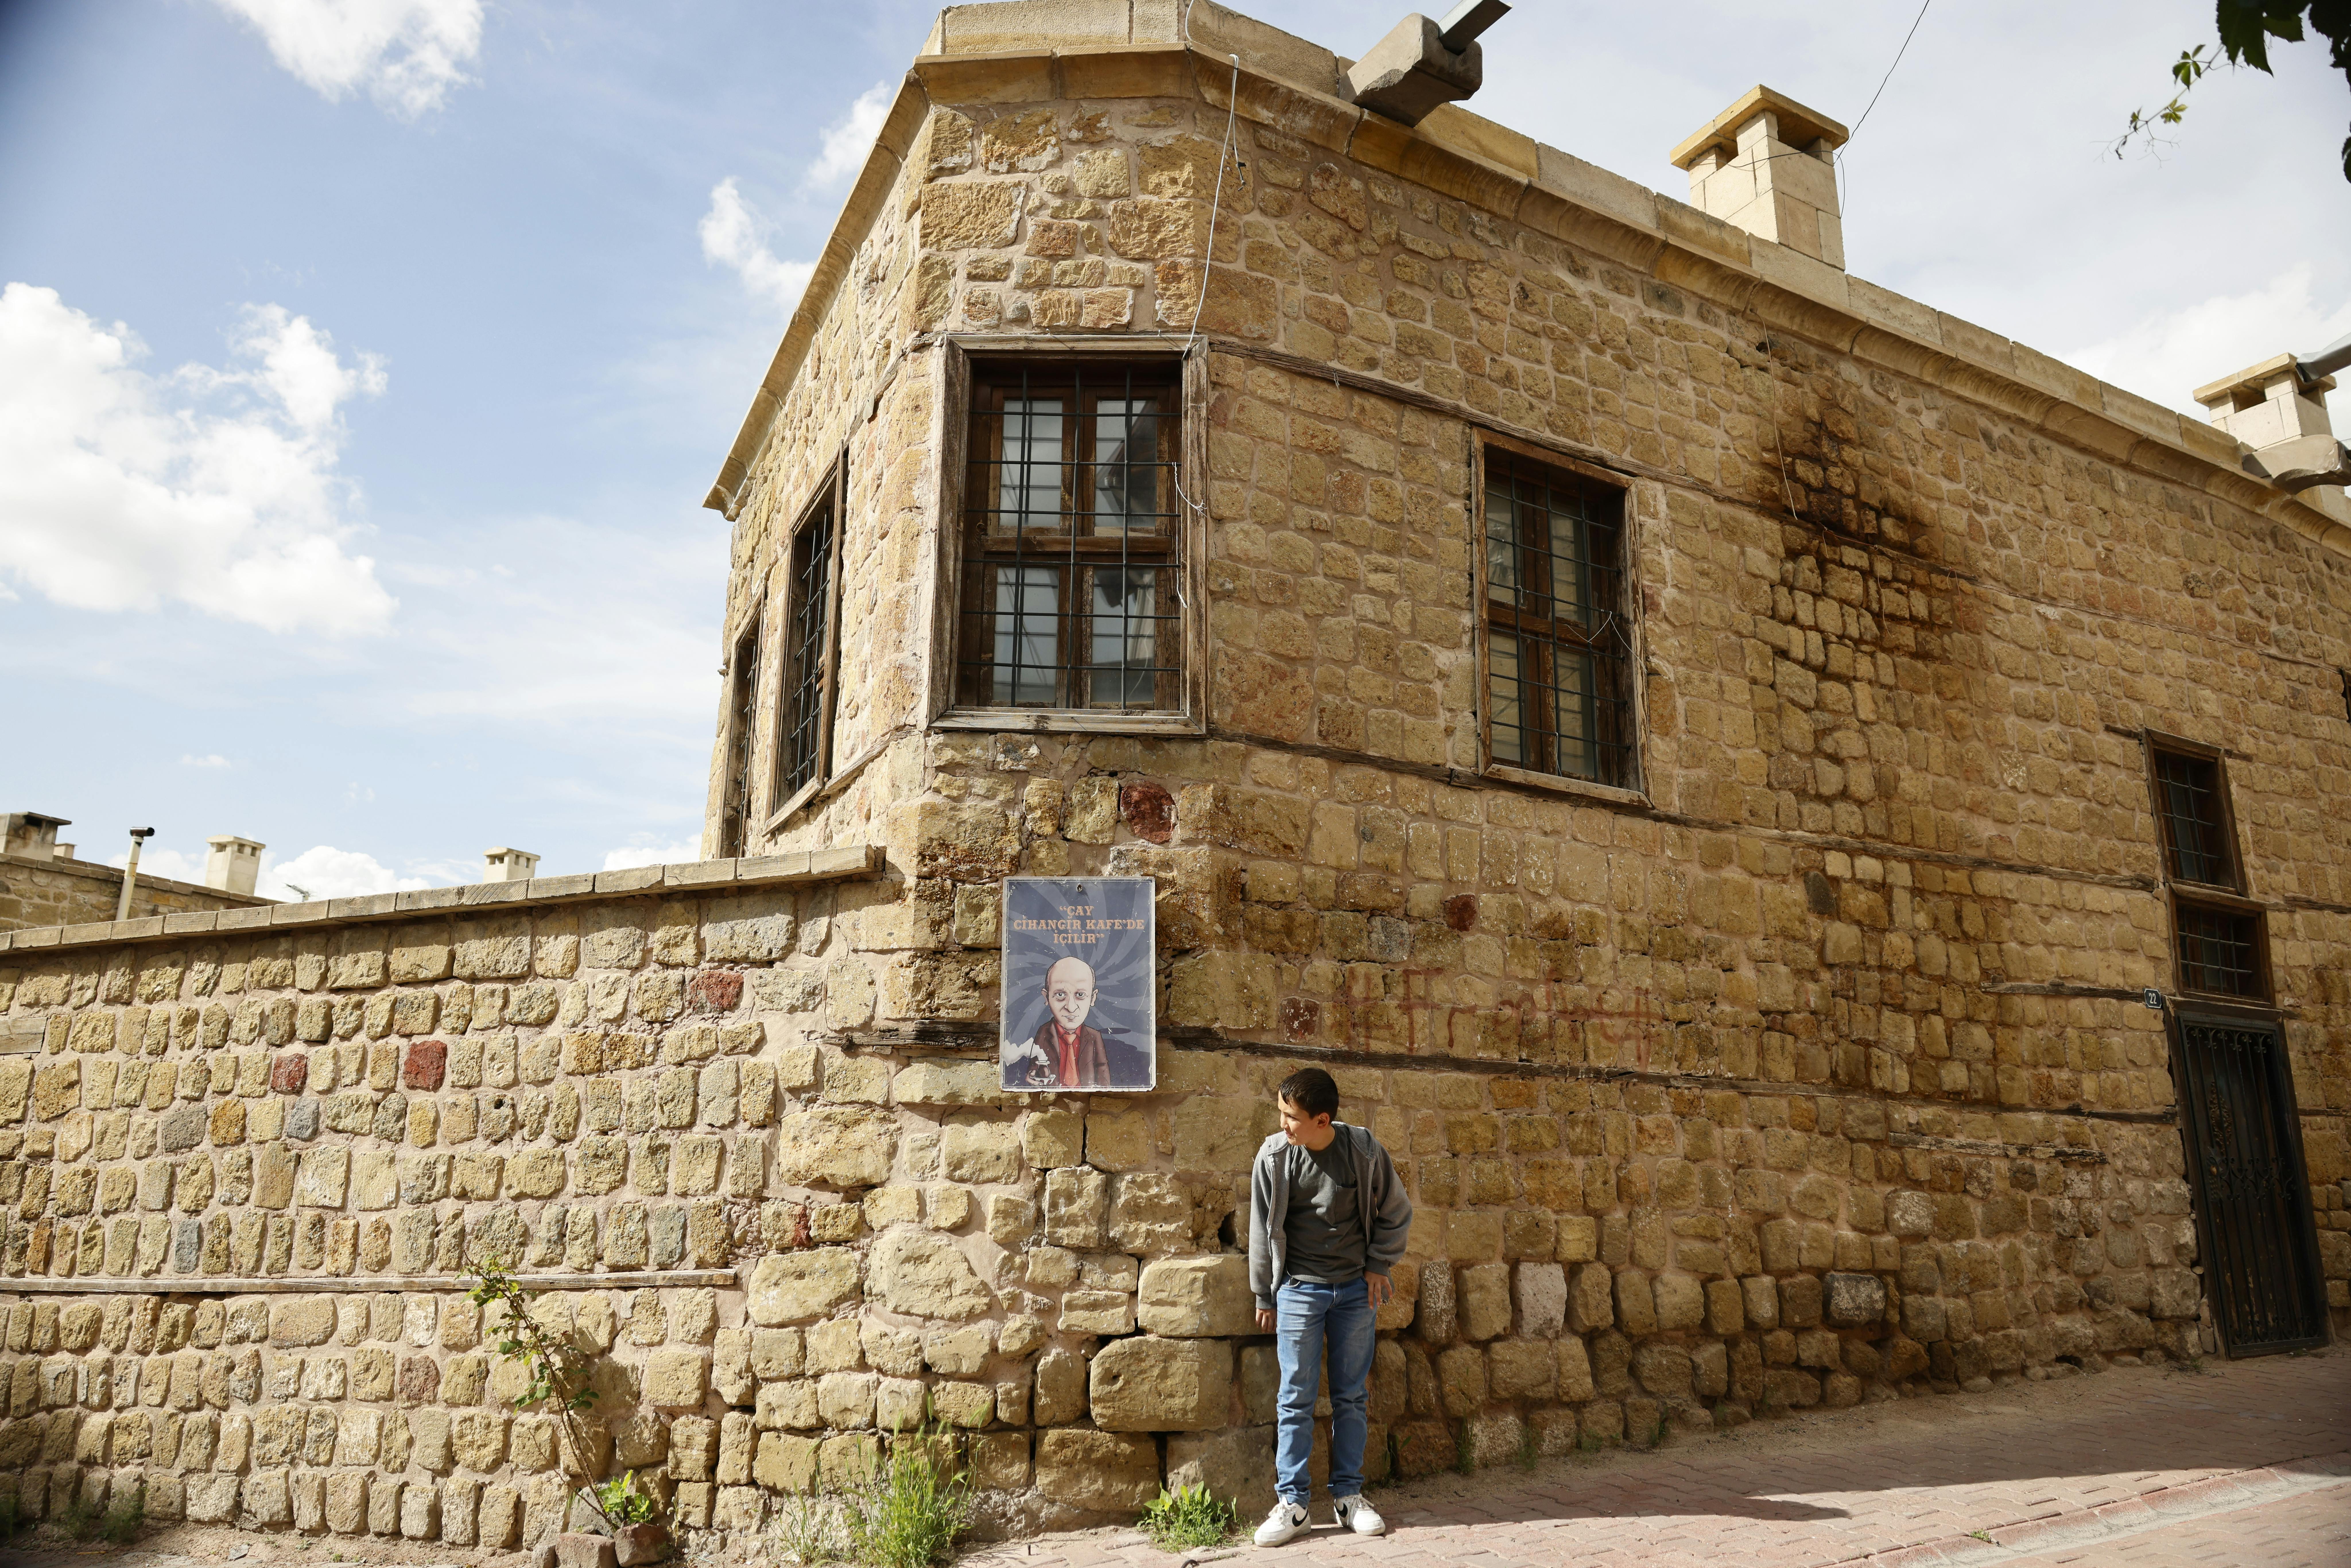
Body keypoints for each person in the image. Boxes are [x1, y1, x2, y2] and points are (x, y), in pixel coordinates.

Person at [1248, 1067, 1413, 1546]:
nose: (1283, 1123)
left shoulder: (1362, 1149)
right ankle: (1293, 1504)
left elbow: (1397, 1210)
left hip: (1356, 1293)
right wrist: (1264, 1291)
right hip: (1298, 1290)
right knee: (1294, 1397)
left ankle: (1348, 1497)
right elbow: (1261, 1226)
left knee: (1351, 1396)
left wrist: (1379, 1263)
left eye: (1291, 1116)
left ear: (1323, 1119)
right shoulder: (1275, 1156)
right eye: (1281, 1112)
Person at [1003, 955, 1136, 1089]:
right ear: (1047, 997)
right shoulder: (1044, 1032)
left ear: (1093, 998)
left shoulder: (1094, 1036)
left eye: (1081, 995)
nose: (1071, 1008)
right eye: (1060, 995)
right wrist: (1032, 1077)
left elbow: (1102, 1071)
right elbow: (1035, 1066)